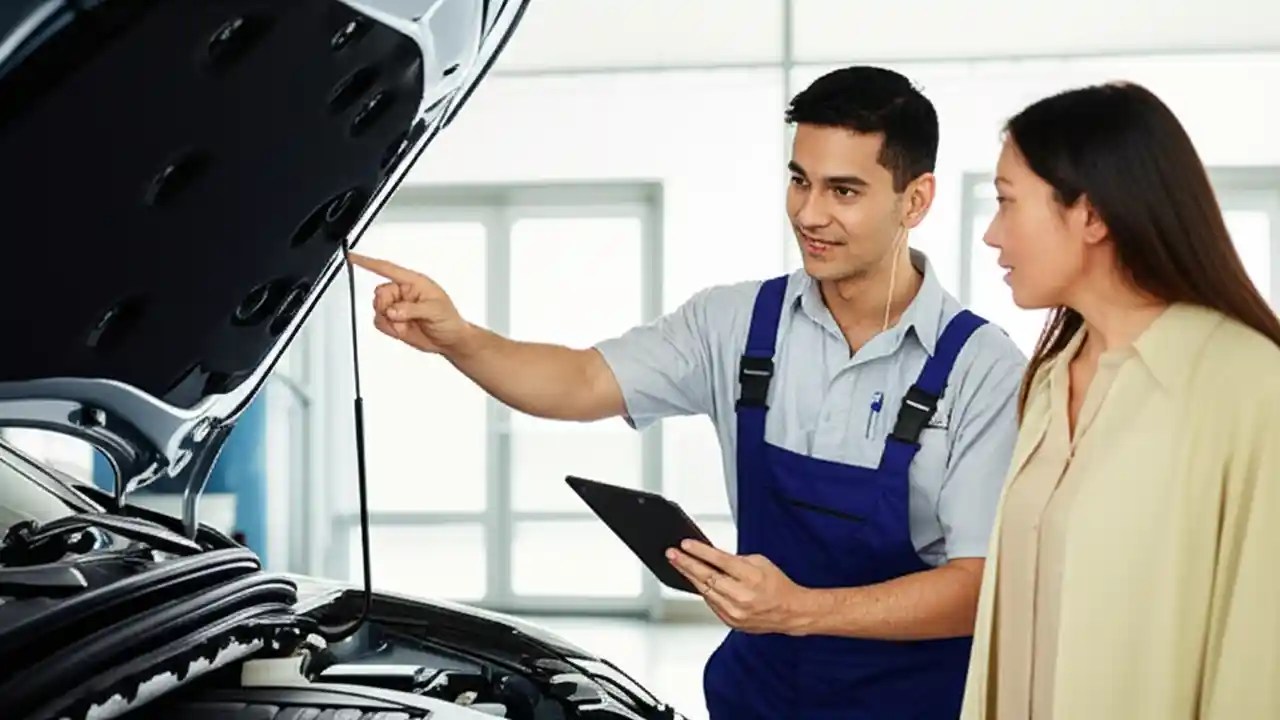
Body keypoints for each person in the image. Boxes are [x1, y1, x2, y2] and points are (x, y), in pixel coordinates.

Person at [350, 66, 1026, 719]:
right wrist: (460, 338)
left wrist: (799, 609)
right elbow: (582, 380)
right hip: (755, 700)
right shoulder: (735, 324)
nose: (809, 213)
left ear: (916, 200)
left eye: (843, 191)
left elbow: (981, 587)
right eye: (799, 180)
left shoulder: (981, 369)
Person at [961, 81, 1280, 720]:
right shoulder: (1048, 382)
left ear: (1092, 215)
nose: (993, 234)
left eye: (1007, 202)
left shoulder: (1248, 386)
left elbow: (1259, 655)